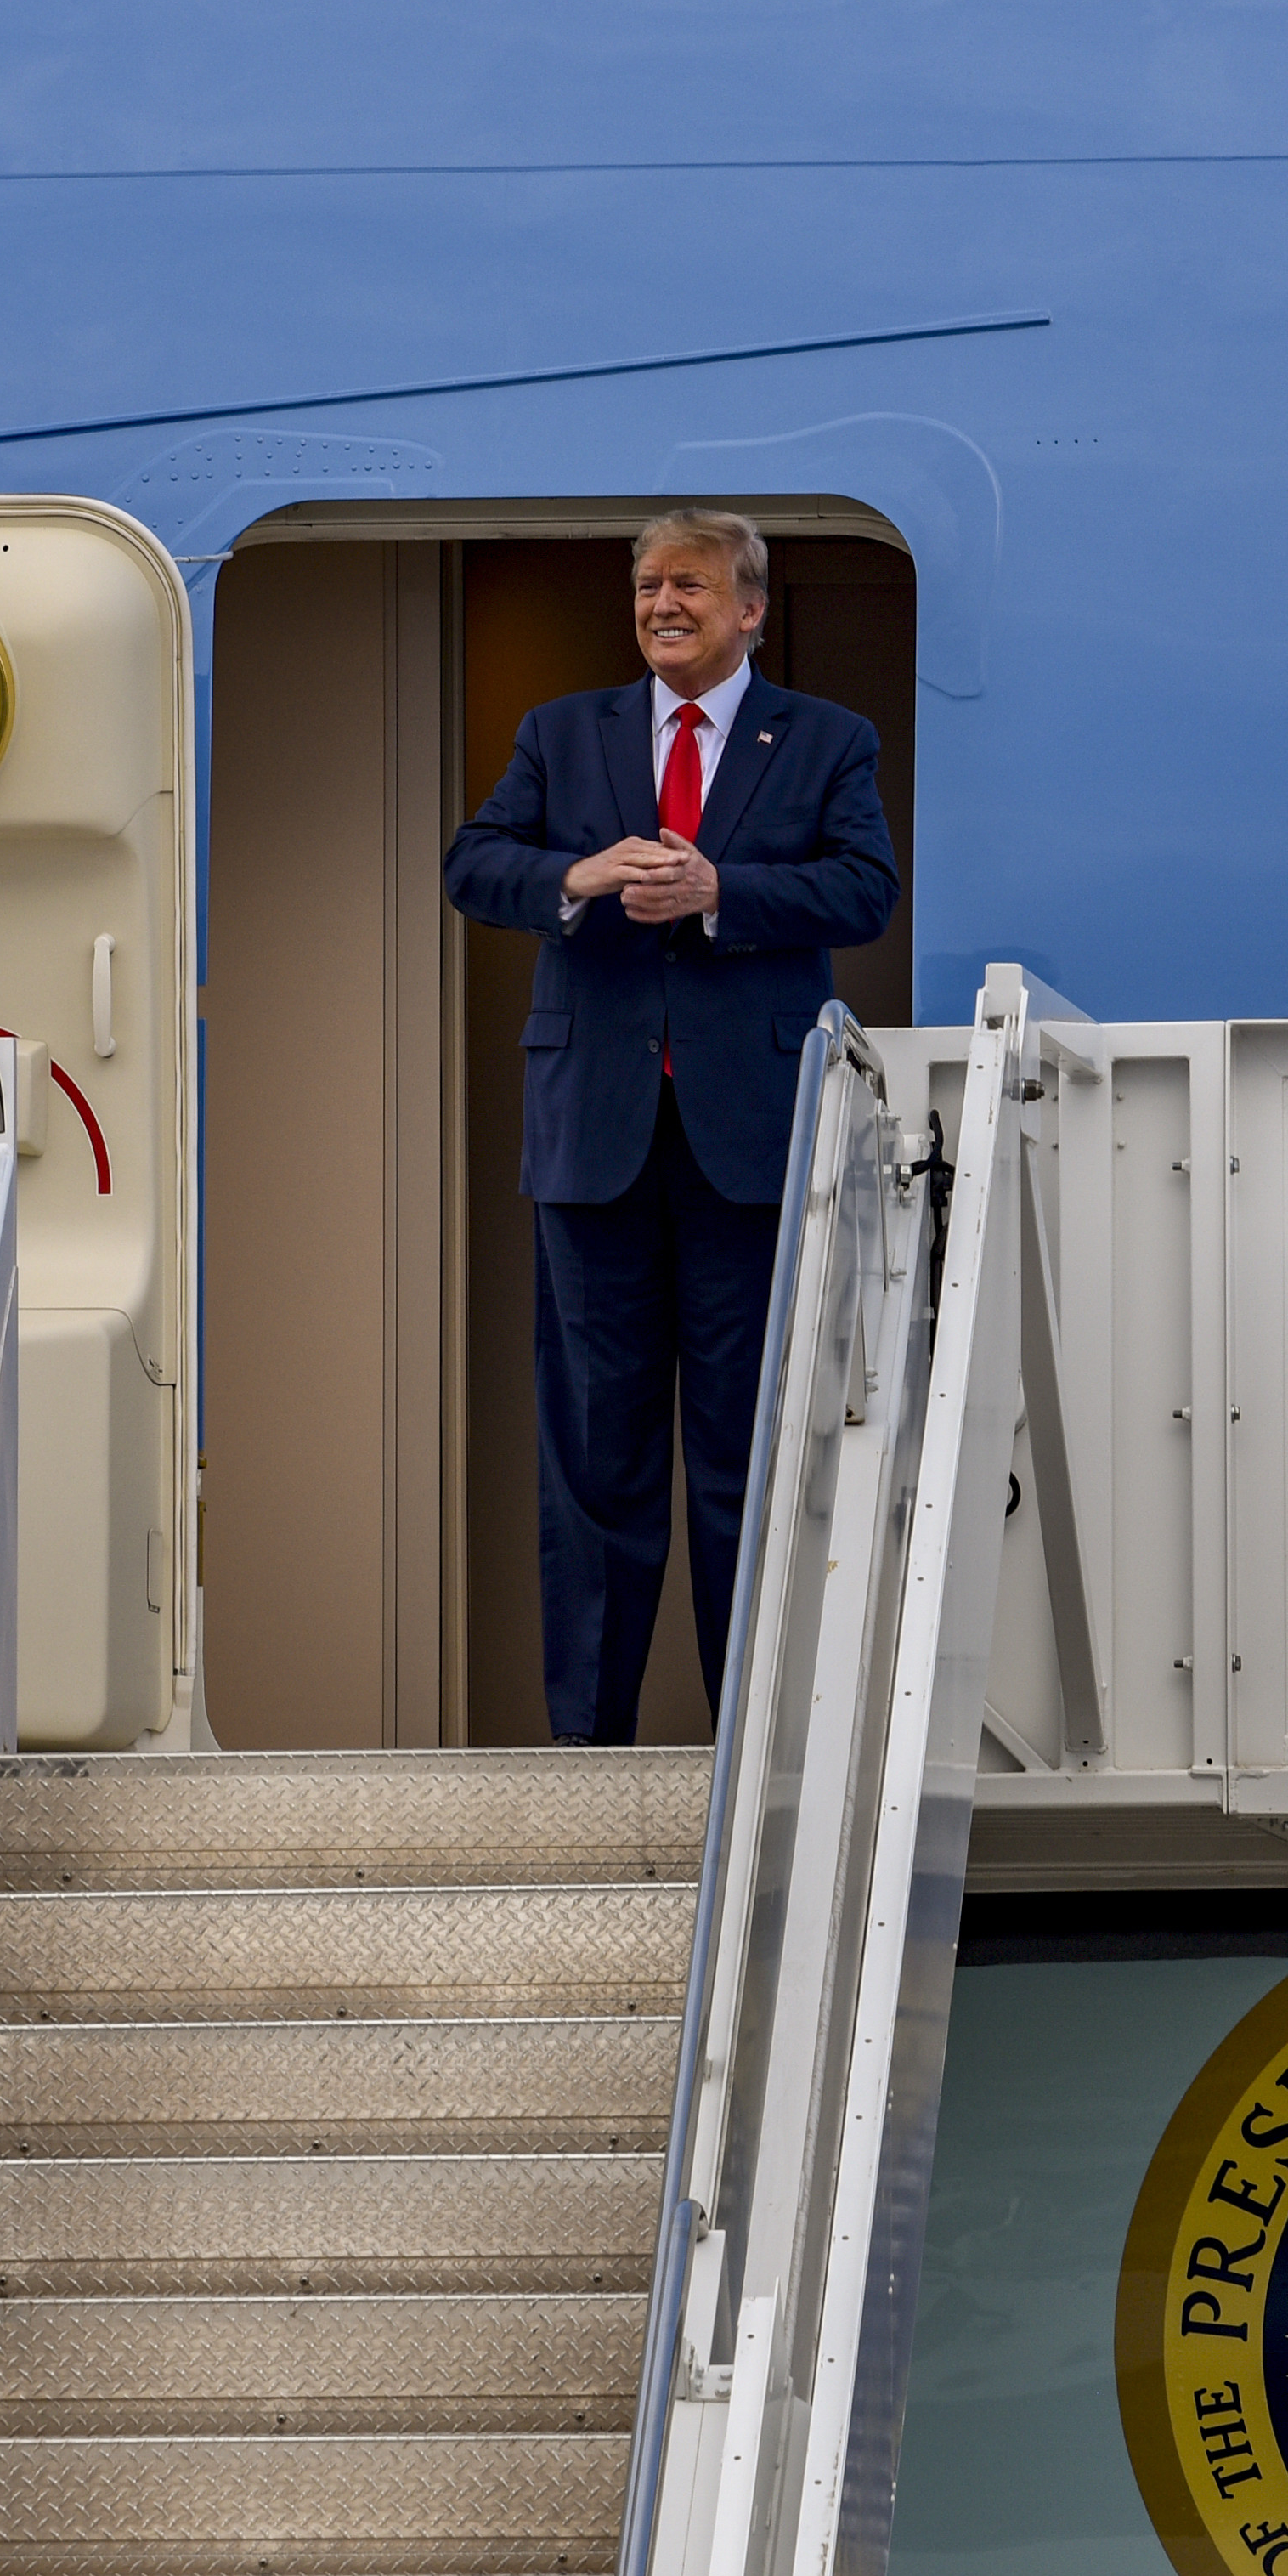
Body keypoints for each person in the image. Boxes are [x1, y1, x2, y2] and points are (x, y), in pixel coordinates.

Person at [443, 511, 900, 1742]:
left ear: (750, 609)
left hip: (750, 1148)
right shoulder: (562, 731)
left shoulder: (825, 738)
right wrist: (578, 876)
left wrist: (719, 892)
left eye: (688, 586)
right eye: (647, 586)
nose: (661, 605)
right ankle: (586, 1754)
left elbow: (866, 889)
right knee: (596, 1461)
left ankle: (752, 1753)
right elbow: (473, 864)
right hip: (592, 1144)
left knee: (747, 1457)